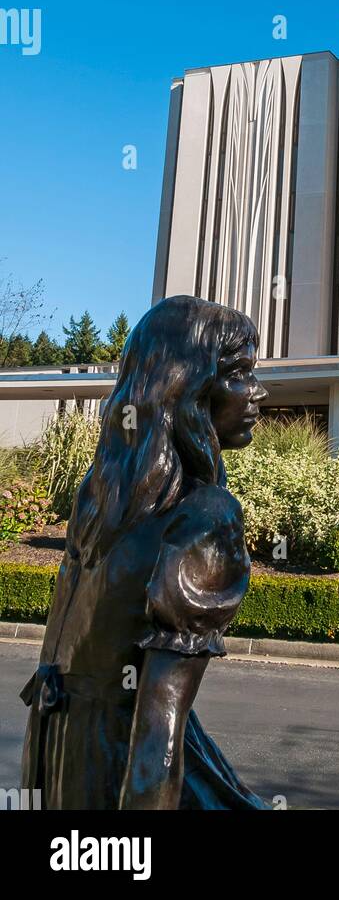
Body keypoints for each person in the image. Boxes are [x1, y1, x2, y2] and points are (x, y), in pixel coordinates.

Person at [21, 295, 269, 810]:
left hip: (61, 767)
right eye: (239, 373)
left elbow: (55, 682)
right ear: (188, 386)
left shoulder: (99, 497)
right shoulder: (206, 514)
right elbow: (159, 731)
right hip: (121, 785)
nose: (258, 392)